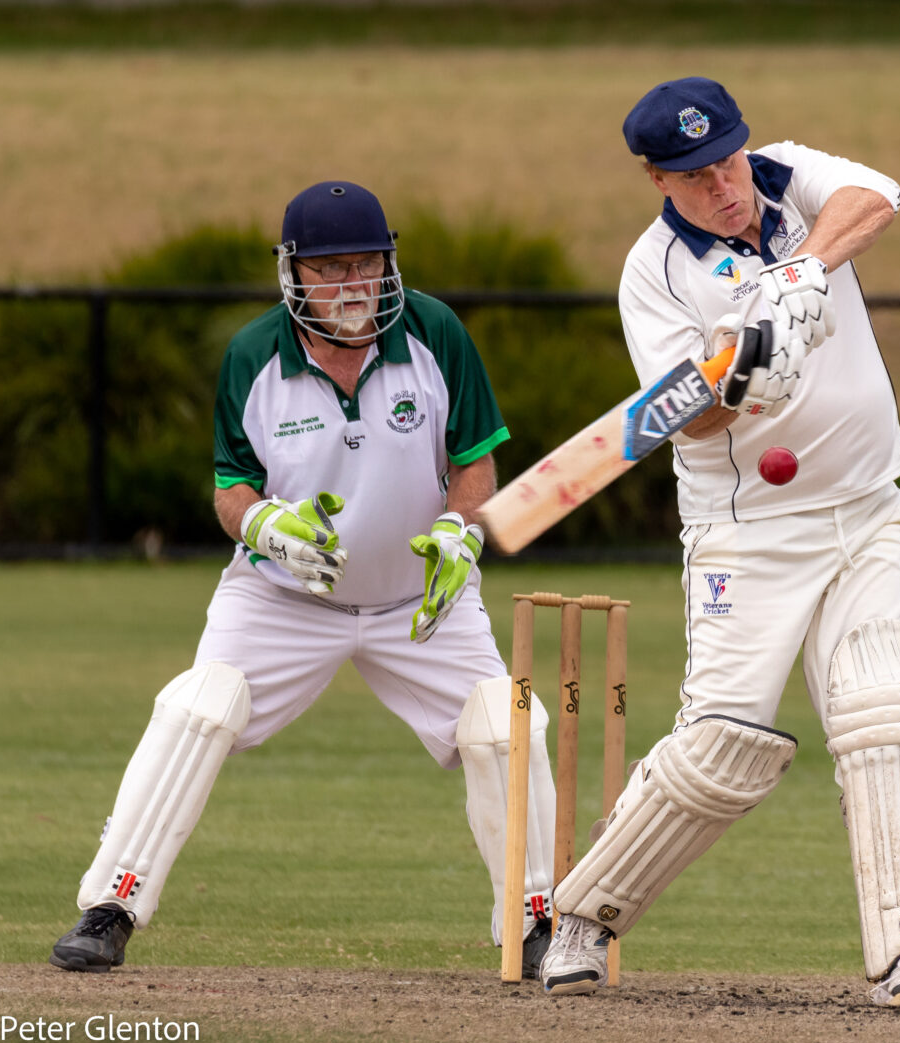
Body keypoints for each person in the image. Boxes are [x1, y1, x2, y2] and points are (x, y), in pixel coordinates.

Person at [49, 180, 558, 978]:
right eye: (330, 269)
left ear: (390, 264)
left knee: (506, 720)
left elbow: (475, 462)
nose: (352, 283)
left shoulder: (435, 332)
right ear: (293, 273)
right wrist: (263, 525)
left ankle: (535, 921)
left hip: (418, 599)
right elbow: (230, 487)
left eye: (367, 263)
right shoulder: (254, 354)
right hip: (284, 596)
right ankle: (111, 905)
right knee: (199, 705)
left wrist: (463, 529)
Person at [538, 78, 900, 1009]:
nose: (725, 183)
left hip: (866, 508)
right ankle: (582, 914)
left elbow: (877, 195)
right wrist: (744, 378)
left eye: (727, 157)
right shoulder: (653, 272)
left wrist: (796, 276)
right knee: (721, 742)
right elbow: (678, 420)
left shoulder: (787, 178)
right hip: (750, 534)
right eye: (696, 174)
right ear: (656, 178)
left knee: (887, 700)